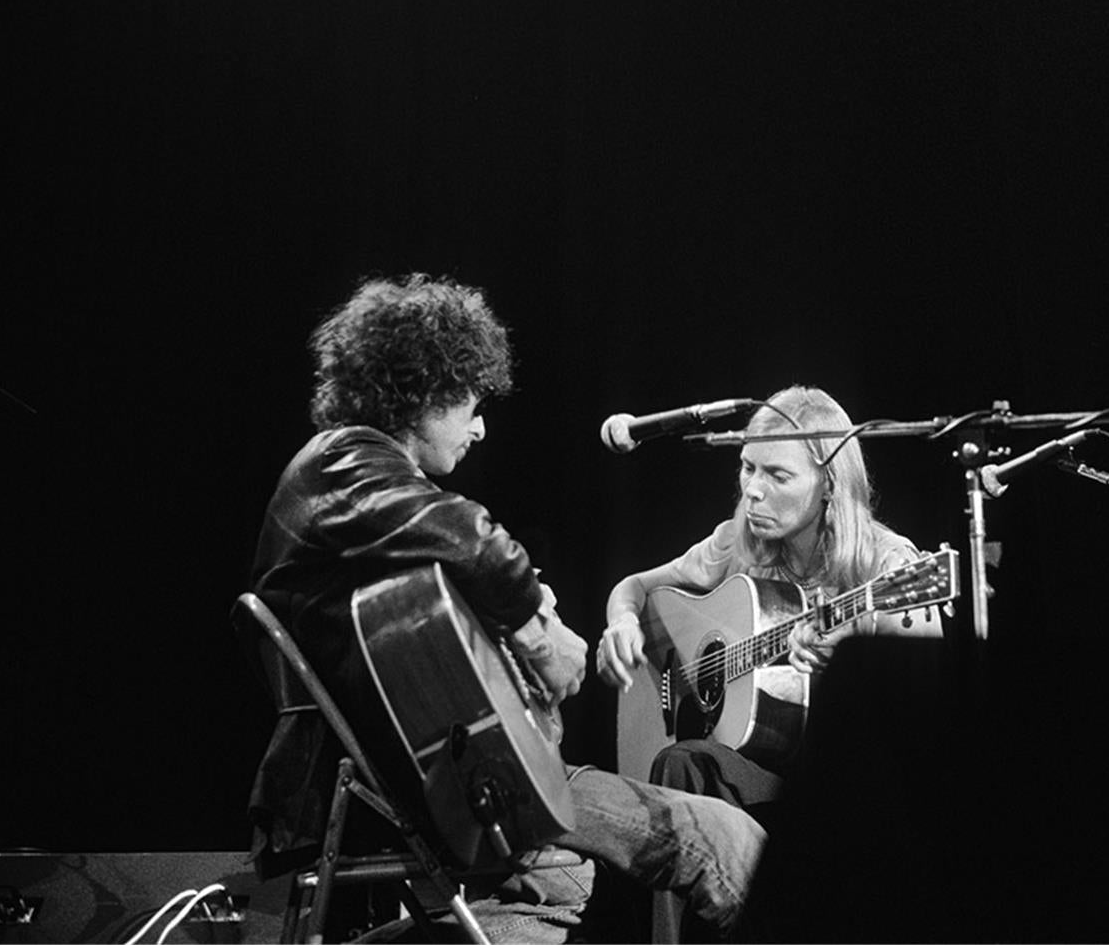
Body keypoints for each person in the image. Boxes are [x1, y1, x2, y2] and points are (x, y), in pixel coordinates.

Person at [240, 273, 763, 944]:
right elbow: (470, 537)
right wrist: (538, 631)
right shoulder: (344, 462)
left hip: (432, 778)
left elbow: (421, 628)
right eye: (468, 403)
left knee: (552, 882)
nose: (479, 428)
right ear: (422, 392)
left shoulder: (354, 499)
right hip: (425, 787)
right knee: (726, 841)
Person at [595, 385, 944, 940]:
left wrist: (845, 666)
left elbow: (926, 714)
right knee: (682, 763)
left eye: (777, 476)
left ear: (829, 485)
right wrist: (622, 623)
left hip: (839, 791)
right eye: (746, 468)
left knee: (685, 766)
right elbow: (634, 588)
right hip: (755, 770)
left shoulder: (888, 563)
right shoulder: (737, 542)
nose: (753, 491)